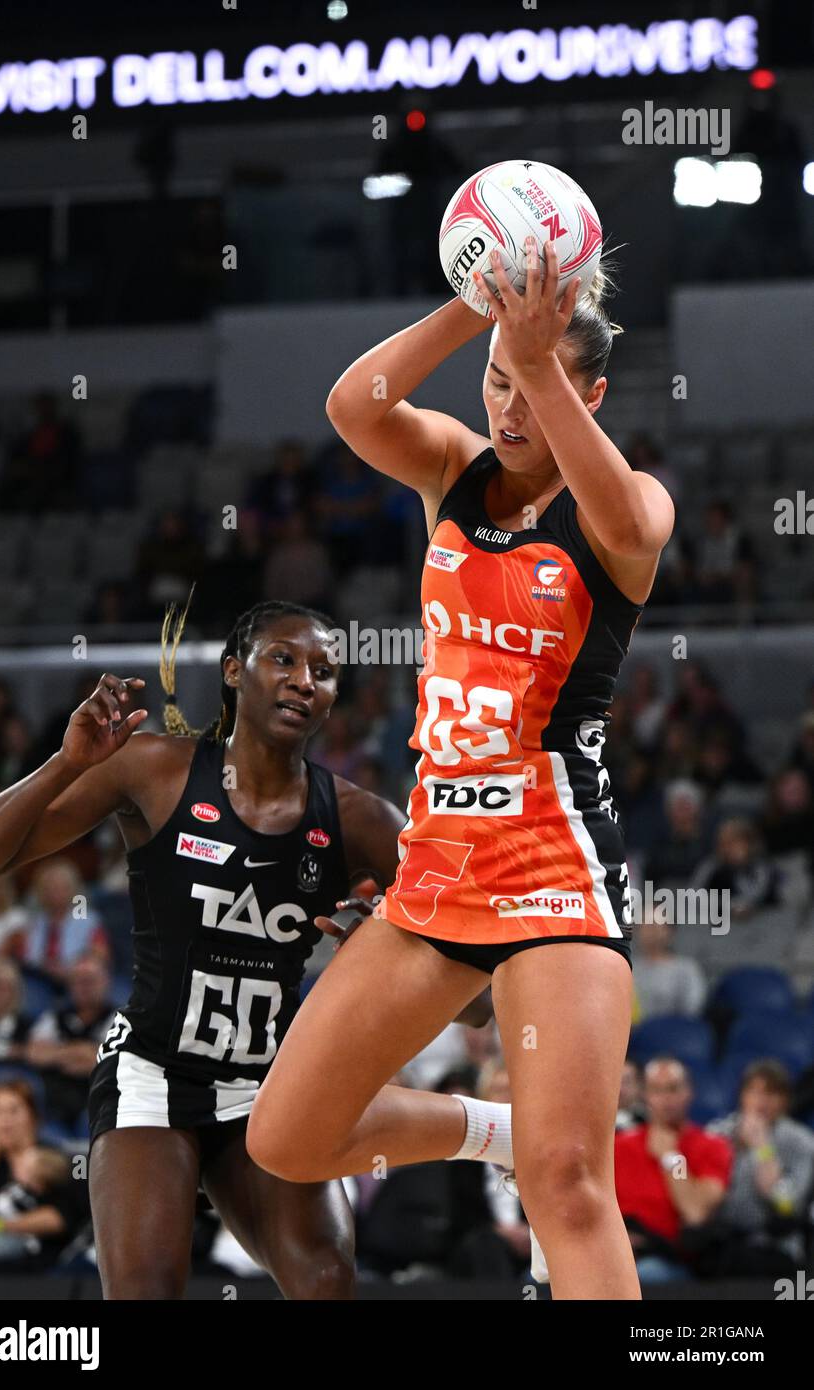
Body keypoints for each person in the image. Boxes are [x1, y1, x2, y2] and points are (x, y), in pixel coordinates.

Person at [246, 238, 676, 1299]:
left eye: (530, 380)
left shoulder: (625, 507)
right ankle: (487, 1128)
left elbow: (625, 521)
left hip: (553, 864)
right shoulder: (450, 470)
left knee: (566, 1181)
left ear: (589, 390)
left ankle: (528, 1151)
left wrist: (532, 355)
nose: (506, 405)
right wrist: (472, 305)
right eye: (492, 379)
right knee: (286, 1140)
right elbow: (354, 406)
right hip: (438, 862)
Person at [0, 601, 512, 1299]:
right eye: (284, 659)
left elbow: (482, 1006)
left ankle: (497, 1134)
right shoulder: (153, 767)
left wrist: (398, 949)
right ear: (232, 671)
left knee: (327, 1284)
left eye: (325, 671)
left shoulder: (364, 819)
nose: (306, 680)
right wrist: (64, 765)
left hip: (267, 1089)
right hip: (153, 1077)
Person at [614, 1057, 732, 1283]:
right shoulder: (620, 1146)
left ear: (689, 1092)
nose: (666, 1099)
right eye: (656, 1090)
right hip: (618, 1252)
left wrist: (671, 1158)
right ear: (645, 1096)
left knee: (643, 1275)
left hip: (672, 1261)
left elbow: (695, 1212)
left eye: (674, 1089)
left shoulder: (712, 1146)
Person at [0, 1080, 78, 1270]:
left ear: (33, 1116)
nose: (5, 1119)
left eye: (14, 1110)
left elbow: (60, 1219)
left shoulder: (56, 1160)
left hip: (31, 1254)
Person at [707, 1060, 814, 1278]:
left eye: (771, 1093)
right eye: (754, 1091)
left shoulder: (801, 1142)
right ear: (742, 1096)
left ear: (784, 1101)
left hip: (773, 1243)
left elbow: (787, 1205)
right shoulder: (718, 1134)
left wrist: (762, 1149)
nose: (761, 1101)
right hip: (721, 1240)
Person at [24, 954, 115, 1132]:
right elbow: (34, 1053)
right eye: (78, 981)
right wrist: (83, 1051)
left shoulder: (119, 1019)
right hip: (54, 1100)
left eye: (90, 980)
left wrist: (57, 1054)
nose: (84, 987)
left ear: (106, 982)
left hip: (100, 1098)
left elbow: (111, 1061)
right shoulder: (54, 1017)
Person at [632, 911, 707, 1020]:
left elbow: (692, 1010)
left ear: (669, 930)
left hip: (674, 1032)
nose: (648, 929)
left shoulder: (686, 968)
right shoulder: (627, 968)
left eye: (653, 924)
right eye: (643, 924)